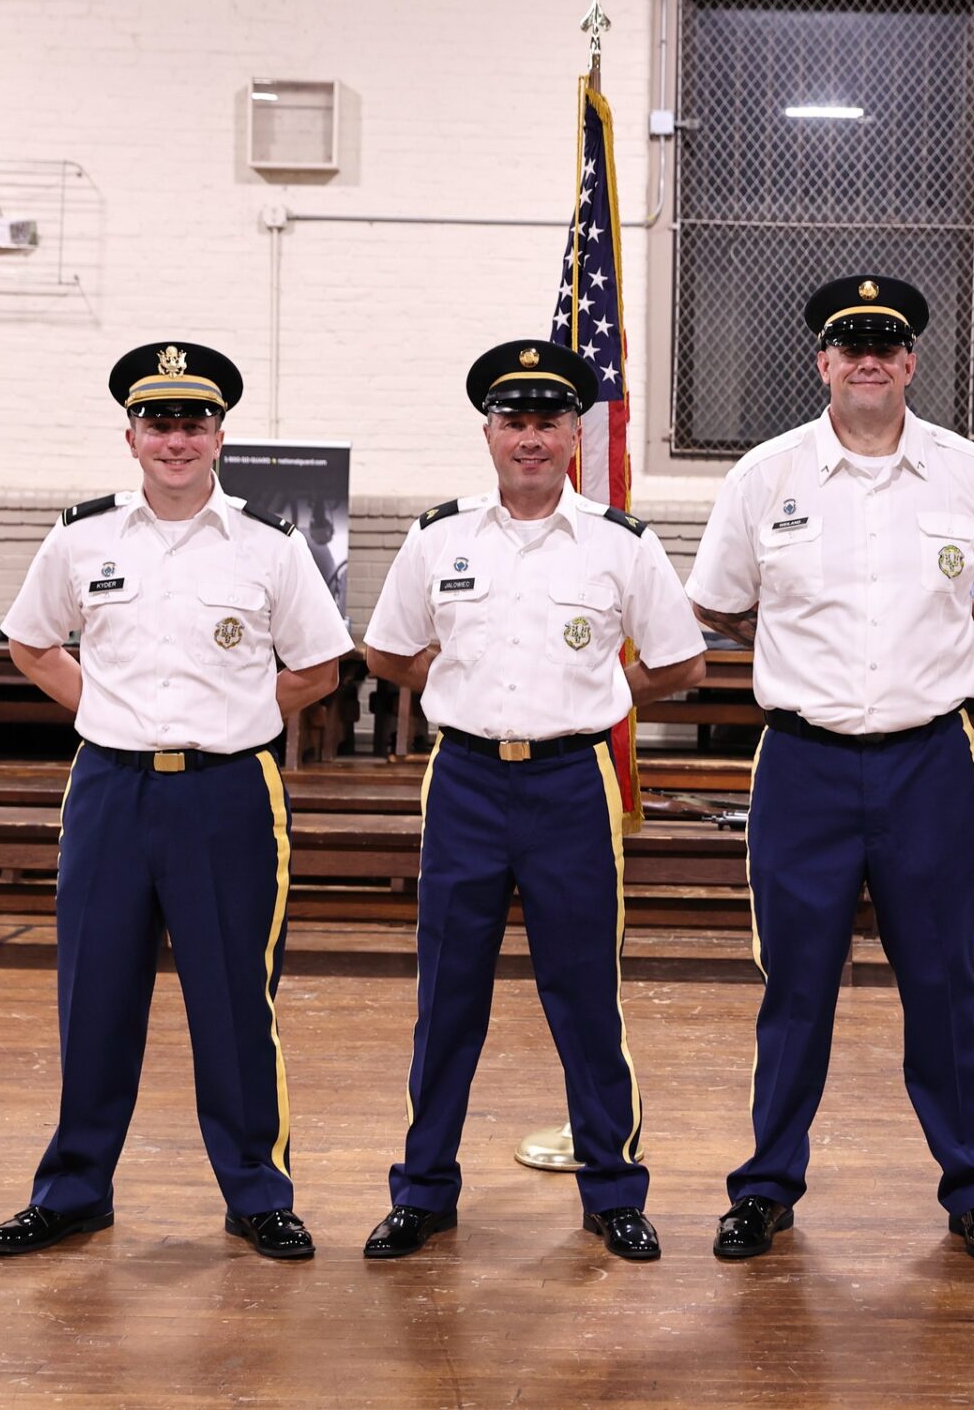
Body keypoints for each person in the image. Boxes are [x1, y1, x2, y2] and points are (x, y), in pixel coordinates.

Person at [687, 275, 974, 1265]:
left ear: (911, 361)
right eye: (850, 341)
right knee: (794, 985)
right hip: (803, 767)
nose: (868, 357)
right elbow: (719, 601)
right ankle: (766, 1186)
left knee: (942, 982)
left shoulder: (968, 475)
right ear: (823, 360)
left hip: (926, 765)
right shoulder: (767, 474)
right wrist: (796, 644)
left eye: (886, 341)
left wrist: (954, 635)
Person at [0, 341, 352, 1260]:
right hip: (111, 789)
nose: (176, 438)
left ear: (221, 434)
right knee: (95, 996)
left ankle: (256, 1191)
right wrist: (106, 710)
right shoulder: (82, 538)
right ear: (131, 436)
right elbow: (31, 644)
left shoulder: (270, 547)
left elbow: (318, 667)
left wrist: (234, 718)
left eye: (194, 422)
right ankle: (74, 1191)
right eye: (159, 423)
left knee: (233, 1000)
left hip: (229, 792)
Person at [360, 339, 706, 1263]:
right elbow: (387, 654)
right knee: (448, 1000)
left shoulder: (619, 544)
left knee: (586, 995)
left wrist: (600, 693)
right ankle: (424, 1191)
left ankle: (614, 1192)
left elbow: (683, 662)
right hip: (466, 781)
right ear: (488, 432)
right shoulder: (439, 538)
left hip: (570, 785)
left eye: (548, 421)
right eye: (513, 421)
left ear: (573, 433)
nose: (530, 438)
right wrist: (449, 674)